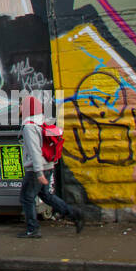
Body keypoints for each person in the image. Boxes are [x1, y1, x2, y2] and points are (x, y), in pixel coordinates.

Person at [19, 95, 83, 238]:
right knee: (46, 195)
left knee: (26, 198)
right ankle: (73, 214)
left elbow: (35, 151)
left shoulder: (29, 126)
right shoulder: (43, 122)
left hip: (36, 169)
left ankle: (33, 229)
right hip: (48, 165)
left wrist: (38, 172)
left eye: (21, 105)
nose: (19, 108)